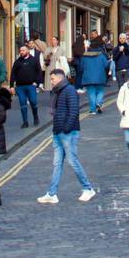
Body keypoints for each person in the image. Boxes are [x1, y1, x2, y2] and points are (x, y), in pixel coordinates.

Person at [37, 69, 97, 204]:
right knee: (57, 164)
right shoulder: (58, 92)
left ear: (59, 78)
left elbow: (74, 110)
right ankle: (52, 193)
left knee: (72, 161)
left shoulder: (69, 90)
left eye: (52, 79)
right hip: (58, 131)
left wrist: (66, 128)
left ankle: (88, 188)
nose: (51, 82)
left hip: (68, 132)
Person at [10, 43, 44, 128]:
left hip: (31, 86)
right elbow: (13, 74)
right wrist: (11, 86)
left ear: (27, 51)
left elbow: (39, 71)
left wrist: (37, 82)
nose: (21, 52)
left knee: (33, 102)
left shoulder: (34, 60)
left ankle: (35, 116)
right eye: (20, 51)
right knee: (23, 104)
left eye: (23, 50)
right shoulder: (17, 62)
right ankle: (25, 122)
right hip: (20, 87)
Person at [78, 40, 110, 115]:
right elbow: (106, 65)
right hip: (100, 77)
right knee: (100, 91)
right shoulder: (101, 55)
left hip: (88, 77)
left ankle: (93, 110)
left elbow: (81, 67)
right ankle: (98, 103)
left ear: (90, 47)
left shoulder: (85, 56)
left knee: (91, 93)